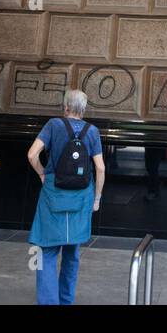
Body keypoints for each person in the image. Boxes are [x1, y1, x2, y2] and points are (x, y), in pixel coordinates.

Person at [27, 89, 105, 305]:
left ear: (66, 107)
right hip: (81, 197)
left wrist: (42, 173)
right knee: (72, 251)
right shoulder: (93, 131)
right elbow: (100, 168)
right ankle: (66, 300)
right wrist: (97, 198)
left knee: (47, 251)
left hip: (54, 193)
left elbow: (32, 154)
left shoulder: (53, 125)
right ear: (84, 109)